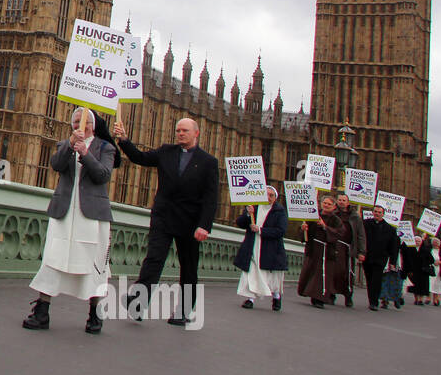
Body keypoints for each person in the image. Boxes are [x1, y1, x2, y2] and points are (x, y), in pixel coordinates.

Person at [110, 116, 219, 326]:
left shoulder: (208, 162)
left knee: (188, 268)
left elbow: (211, 198)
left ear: (196, 133)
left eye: (184, 130)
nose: (180, 133)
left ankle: (184, 311)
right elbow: (140, 158)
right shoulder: (166, 151)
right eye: (178, 130)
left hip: (191, 222)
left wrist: (205, 225)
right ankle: (138, 304)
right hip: (164, 217)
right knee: (154, 259)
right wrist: (123, 140)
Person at [22, 108, 116, 334]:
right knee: (53, 259)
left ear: (93, 125)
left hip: (92, 215)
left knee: (94, 264)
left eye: (83, 122)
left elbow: (103, 175)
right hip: (64, 212)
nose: (78, 125)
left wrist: (85, 152)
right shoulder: (64, 144)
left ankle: (95, 315)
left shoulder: (105, 147)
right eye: (75, 122)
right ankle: (42, 312)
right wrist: (71, 145)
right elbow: (56, 164)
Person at [233, 186, 288, 311]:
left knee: (271, 277)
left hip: (270, 250)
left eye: (271, 195)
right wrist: (248, 213)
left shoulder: (279, 211)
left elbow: (281, 231)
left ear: (275, 198)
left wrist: (261, 230)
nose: (268, 198)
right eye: (266, 194)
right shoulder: (254, 208)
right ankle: (250, 298)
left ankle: (276, 296)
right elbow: (240, 223)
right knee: (251, 272)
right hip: (253, 247)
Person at [297, 194, 351, 308]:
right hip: (313, 249)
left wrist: (325, 227)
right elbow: (306, 233)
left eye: (329, 204)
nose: (326, 205)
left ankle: (320, 298)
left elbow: (340, 233)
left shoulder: (335, 220)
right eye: (325, 203)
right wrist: (303, 229)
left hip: (326, 251)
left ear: (334, 207)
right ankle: (310, 294)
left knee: (322, 275)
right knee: (311, 272)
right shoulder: (313, 216)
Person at [360, 204, 400, 310]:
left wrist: (393, 261)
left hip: (380, 258)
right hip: (367, 257)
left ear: (383, 214)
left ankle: (374, 302)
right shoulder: (365, 224)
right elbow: (361, 238)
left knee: (376, 280)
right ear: (373, 212)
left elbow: (393, 246)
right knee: (369, 279)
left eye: (379, 212)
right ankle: (371, 299)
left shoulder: (390, 229)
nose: (377, 213)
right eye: (375, 211)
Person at [335, 194, 366, 308]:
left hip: (348, 249)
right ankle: (332, 294)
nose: (341, 202)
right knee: (334, 272)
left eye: (344, 200)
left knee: (348, 273)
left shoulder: (355, 217)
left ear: (348, 203)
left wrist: (362, 252)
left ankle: (348, 296)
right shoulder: (333, 214)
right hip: (334, 247)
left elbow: (361, 235)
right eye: (340, 200)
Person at [412, 234, 436, 305]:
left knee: (422, 285)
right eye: (415, 241)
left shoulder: (425, 250)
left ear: (421, 242)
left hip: (423, 270)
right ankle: (416, 299)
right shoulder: (411, 248)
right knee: (414, 285)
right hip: (414, 270)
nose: (417, 242)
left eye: (418, 241)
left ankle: (420, 300)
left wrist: (425, 263)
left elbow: (431, 260)